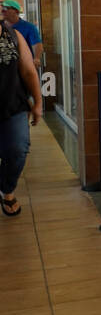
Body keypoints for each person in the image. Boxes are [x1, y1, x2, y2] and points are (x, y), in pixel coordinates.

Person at [0, 19, 42, 216]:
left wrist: (38, 103)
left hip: (13, 105)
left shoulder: (13, 36)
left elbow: (28, 71)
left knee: (17, 150)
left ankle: (6, 189)